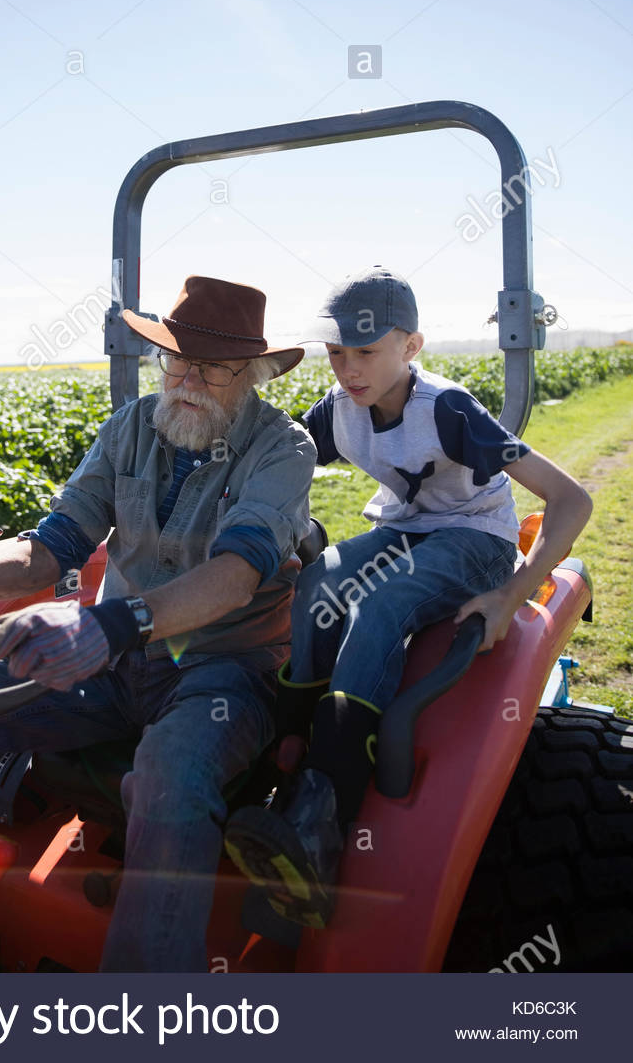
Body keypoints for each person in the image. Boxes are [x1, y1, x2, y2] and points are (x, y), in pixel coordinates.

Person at [0, 275, 317, 972]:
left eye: (212, 369)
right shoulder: (130, 427)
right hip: (112, 659)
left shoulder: (284, 449)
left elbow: (235, 576)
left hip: (220, 670)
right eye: (176, 360)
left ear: (250, 376)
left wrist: (114, 626)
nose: (186, 380)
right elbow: (50, 548)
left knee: (170, 773)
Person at [225, 265, 593, 929]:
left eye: (366, 351)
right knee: (320, 583)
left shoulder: (447, 411)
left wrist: (512, 595)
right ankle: (290, 750)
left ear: (412, 346)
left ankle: (323, 816)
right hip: (405, 527)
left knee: (382, 605)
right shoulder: (340, 411)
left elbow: (573, 499)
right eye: (338, 352)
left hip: (474, 538)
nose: (348, 368)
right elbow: (271, 458)